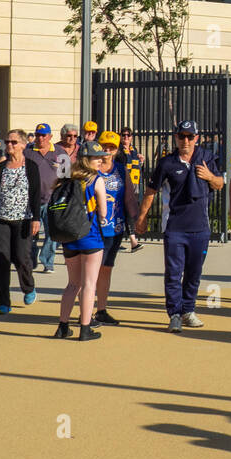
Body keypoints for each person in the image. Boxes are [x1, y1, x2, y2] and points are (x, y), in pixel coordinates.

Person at [135, 120, 224, 333]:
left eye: (190, 136)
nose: (185, 141)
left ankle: (188, 310)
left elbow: (220, 183)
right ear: (176, 138)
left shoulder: (207, 158)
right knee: (174, 273)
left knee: (194, 273)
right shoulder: (167, 163)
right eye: (181, 136)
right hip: (174, 227)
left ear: (197, 138)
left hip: (200, 227)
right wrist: (142, 217)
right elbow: (150, 191)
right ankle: (174, 313)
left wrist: (210, 176)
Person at [54, 141, 108, 341]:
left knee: (72, 284)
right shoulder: (96, 179)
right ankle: (85, 328)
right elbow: (103, 211)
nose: (101, 160)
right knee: (89, 284)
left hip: (69, 236)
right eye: (97, 157)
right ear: (87, 159)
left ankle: (63, 326)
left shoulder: (68, 178)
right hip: (90, 236)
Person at [0, 129, 41, 313]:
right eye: (7, 142)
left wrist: (36, 219)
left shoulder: (31, 166)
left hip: (23, 220)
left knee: (22, 258)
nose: (9, 145)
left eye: (14, 142)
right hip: (0, 220)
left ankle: (28, 287)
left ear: (23, 144)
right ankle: (3, 302)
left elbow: (36, 195)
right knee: (1, 259)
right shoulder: (0, 168)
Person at [93, 131, 137, 325]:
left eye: (111, 147)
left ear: (117, 149)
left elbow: (129, 197)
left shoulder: (120, 169)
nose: (107, 151)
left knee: (106, 269)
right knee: (89, 272)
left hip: (115, 227)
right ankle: (83, 312)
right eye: (104, 147)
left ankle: (101, 309)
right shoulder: (91, 168)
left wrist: (136, 221)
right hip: (93, 228)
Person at [27, 124, 68, 274]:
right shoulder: (28, 152)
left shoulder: (61, 153)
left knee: (53, 233)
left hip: (53, 200)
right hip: (31, 201)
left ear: (50, 136)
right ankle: (32, 257)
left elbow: (66, 178)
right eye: (38, 135)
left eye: (44, 135)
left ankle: (47, 261)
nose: (40, 138)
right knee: (31, 234)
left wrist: (63, 198)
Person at [116, 127, 144, 252]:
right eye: (124, 135)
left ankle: (116, 242)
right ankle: (133, 241)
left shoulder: (134, 151)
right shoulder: (118, 151)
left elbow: (136, 169)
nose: (126, 137)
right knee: (128, 213)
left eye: (128, 135)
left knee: (127, 213)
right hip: (123, 186)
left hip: (135, 186)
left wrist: (141, 162)